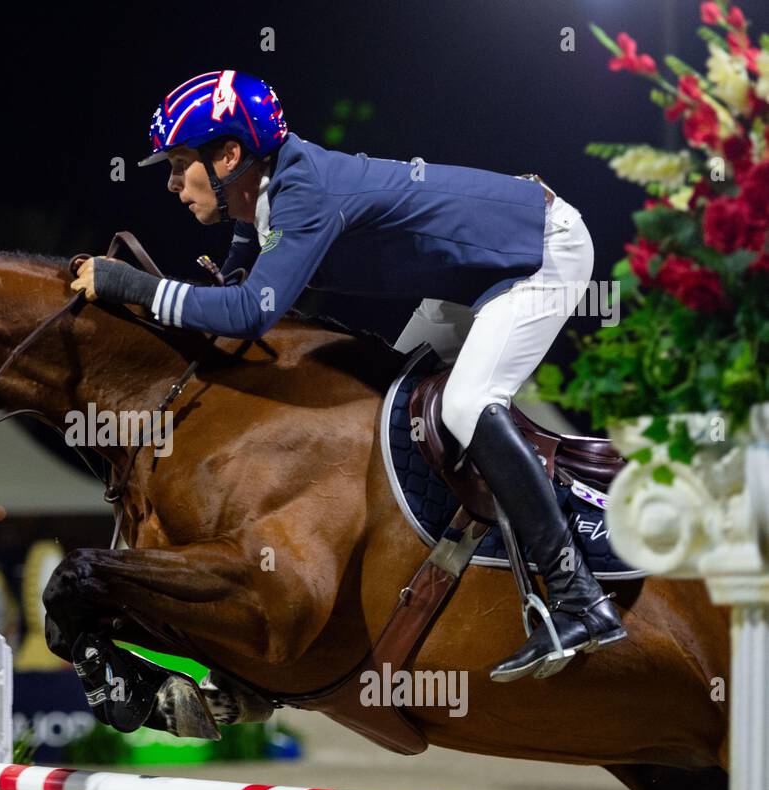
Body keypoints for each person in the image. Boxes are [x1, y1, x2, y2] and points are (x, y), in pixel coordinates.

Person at [71, 69, 625, 682]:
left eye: (179, 164)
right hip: (476, 278)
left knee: (465, 405)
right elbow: (228, 295)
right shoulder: (262, 200)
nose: (173, 183)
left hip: (539, 254)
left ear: (230, 154)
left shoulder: (303, 192)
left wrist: (132, 286)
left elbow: (251, 313)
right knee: (388, 413)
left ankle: (582, 600)